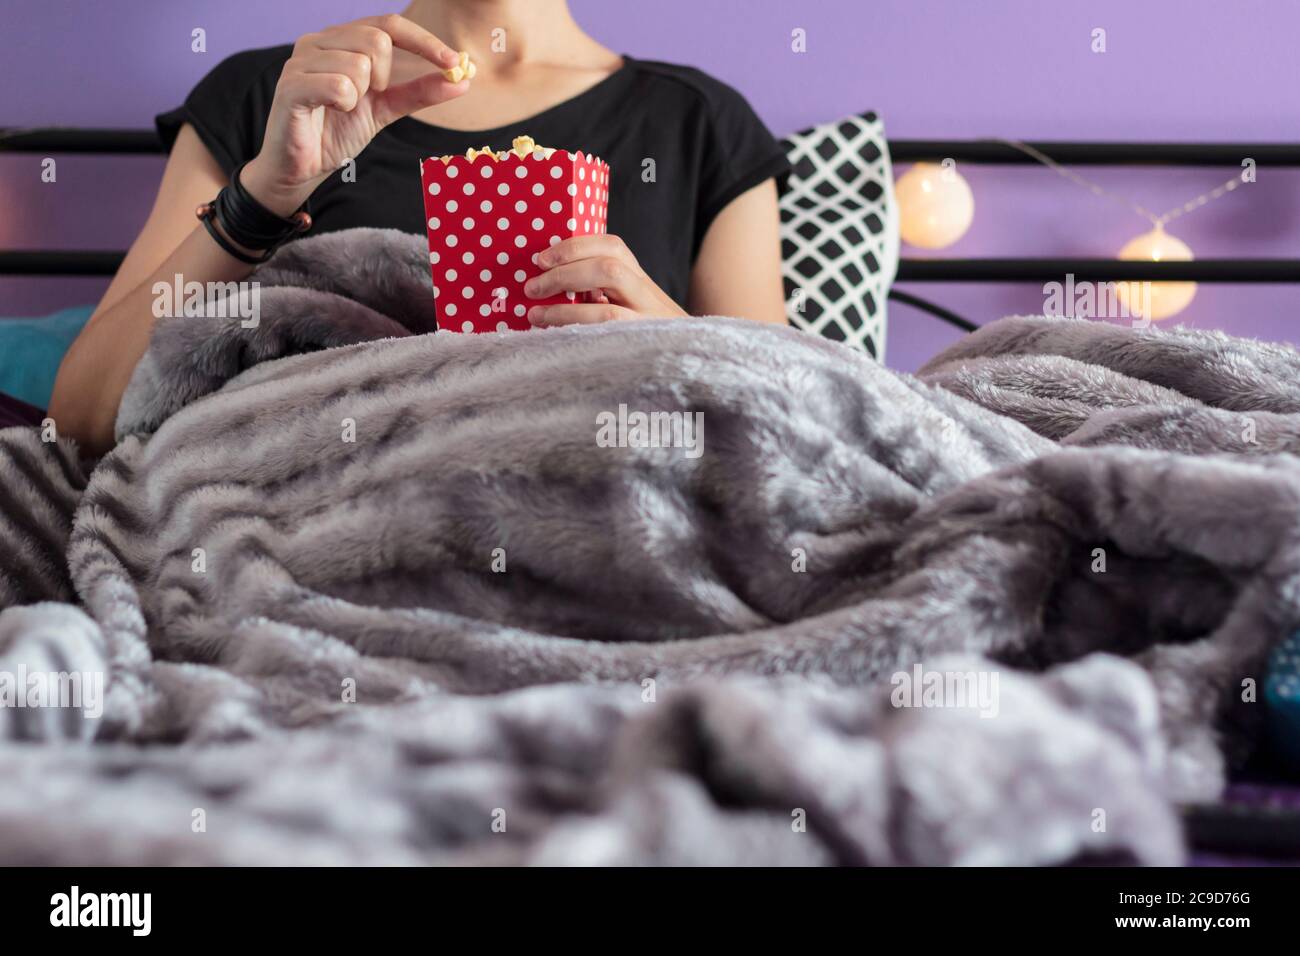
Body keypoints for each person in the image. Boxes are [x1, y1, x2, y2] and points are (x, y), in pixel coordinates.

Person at [49, 0, 790, 455]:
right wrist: (264, 194)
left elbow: (788, 420)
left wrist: (666, 339)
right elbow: (82, 418)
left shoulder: (698, 123)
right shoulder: (276, 97)